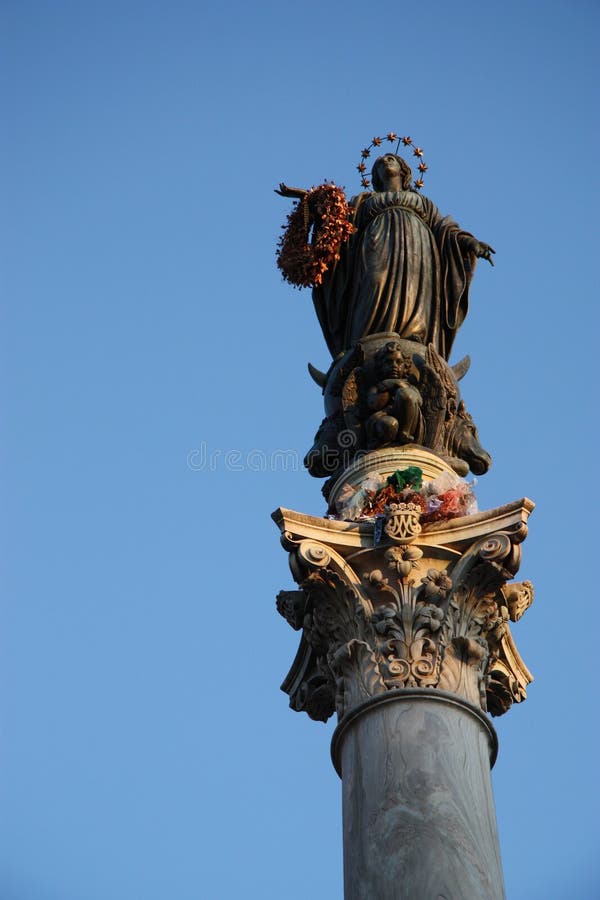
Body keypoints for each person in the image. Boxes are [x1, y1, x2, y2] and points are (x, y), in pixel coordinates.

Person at [277, 154, 494, 361]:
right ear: (376, 176)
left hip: (417, 248)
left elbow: (445, 228)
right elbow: (335, 219)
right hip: (376, 243)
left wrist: (470, 243)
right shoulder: (364, 201)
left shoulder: (423, 203)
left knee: (413, 290)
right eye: (380, 163)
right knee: (375, 280)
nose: (385, 162)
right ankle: (365, 337)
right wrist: (309, 199)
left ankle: (414, 335)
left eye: (391, 159)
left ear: (403, 171)